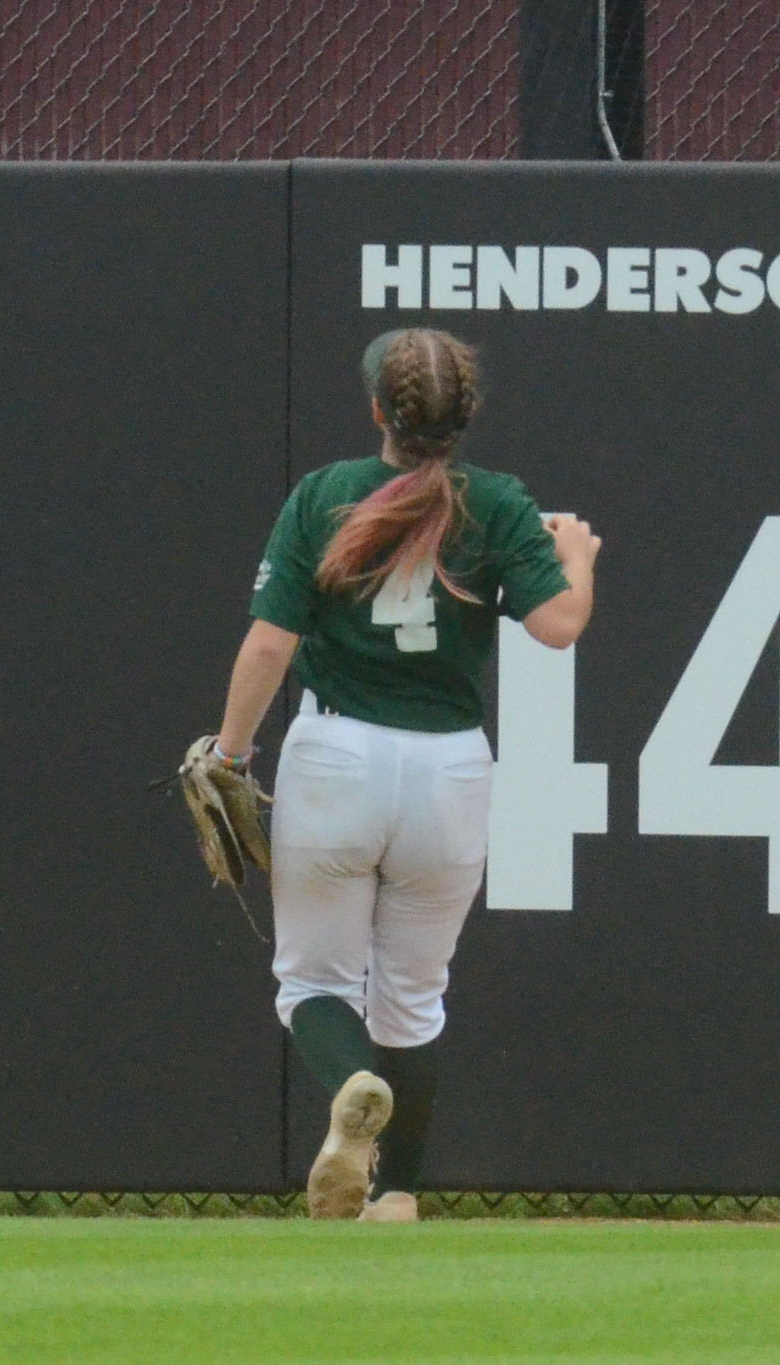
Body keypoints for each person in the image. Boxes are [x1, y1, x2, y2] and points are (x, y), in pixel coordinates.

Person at [205, 327, 601, 1221]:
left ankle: (352, 1083)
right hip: (447, 768)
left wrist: (229, 753)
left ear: (378, 410)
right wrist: (575, 560)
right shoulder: (495, 502)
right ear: (468, 413)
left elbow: (269, 644)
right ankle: (396, 1196)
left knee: (314, 984)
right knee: (413, 1000)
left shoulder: (326, 494)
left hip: (336, 757)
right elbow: (558, 627)